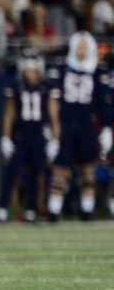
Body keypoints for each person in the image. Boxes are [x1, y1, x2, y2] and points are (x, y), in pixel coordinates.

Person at [46, 32, 110, 221]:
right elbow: (52, 100)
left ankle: (87, 210)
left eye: (84, 46)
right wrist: (54, 130)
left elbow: (103, 103)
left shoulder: (98, 71)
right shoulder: (61, 68)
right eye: (79, 46)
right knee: (60, 171)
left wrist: (106, 128)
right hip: (65, 125)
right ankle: (54, 211)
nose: (82, 50)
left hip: (86, 126)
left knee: (87, 170)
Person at [0, 49, 50, 223]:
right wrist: (5, 138)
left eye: (35, 70)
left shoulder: (45, 87)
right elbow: (9, 113)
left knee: (36, 174)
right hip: (20, 136)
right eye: (28, 70)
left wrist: (54, 139)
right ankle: (3, 208)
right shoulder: (15, 87)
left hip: (38, 136)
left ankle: (31, 209)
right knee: (12, 173)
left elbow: (53, 114)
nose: (32, 74)